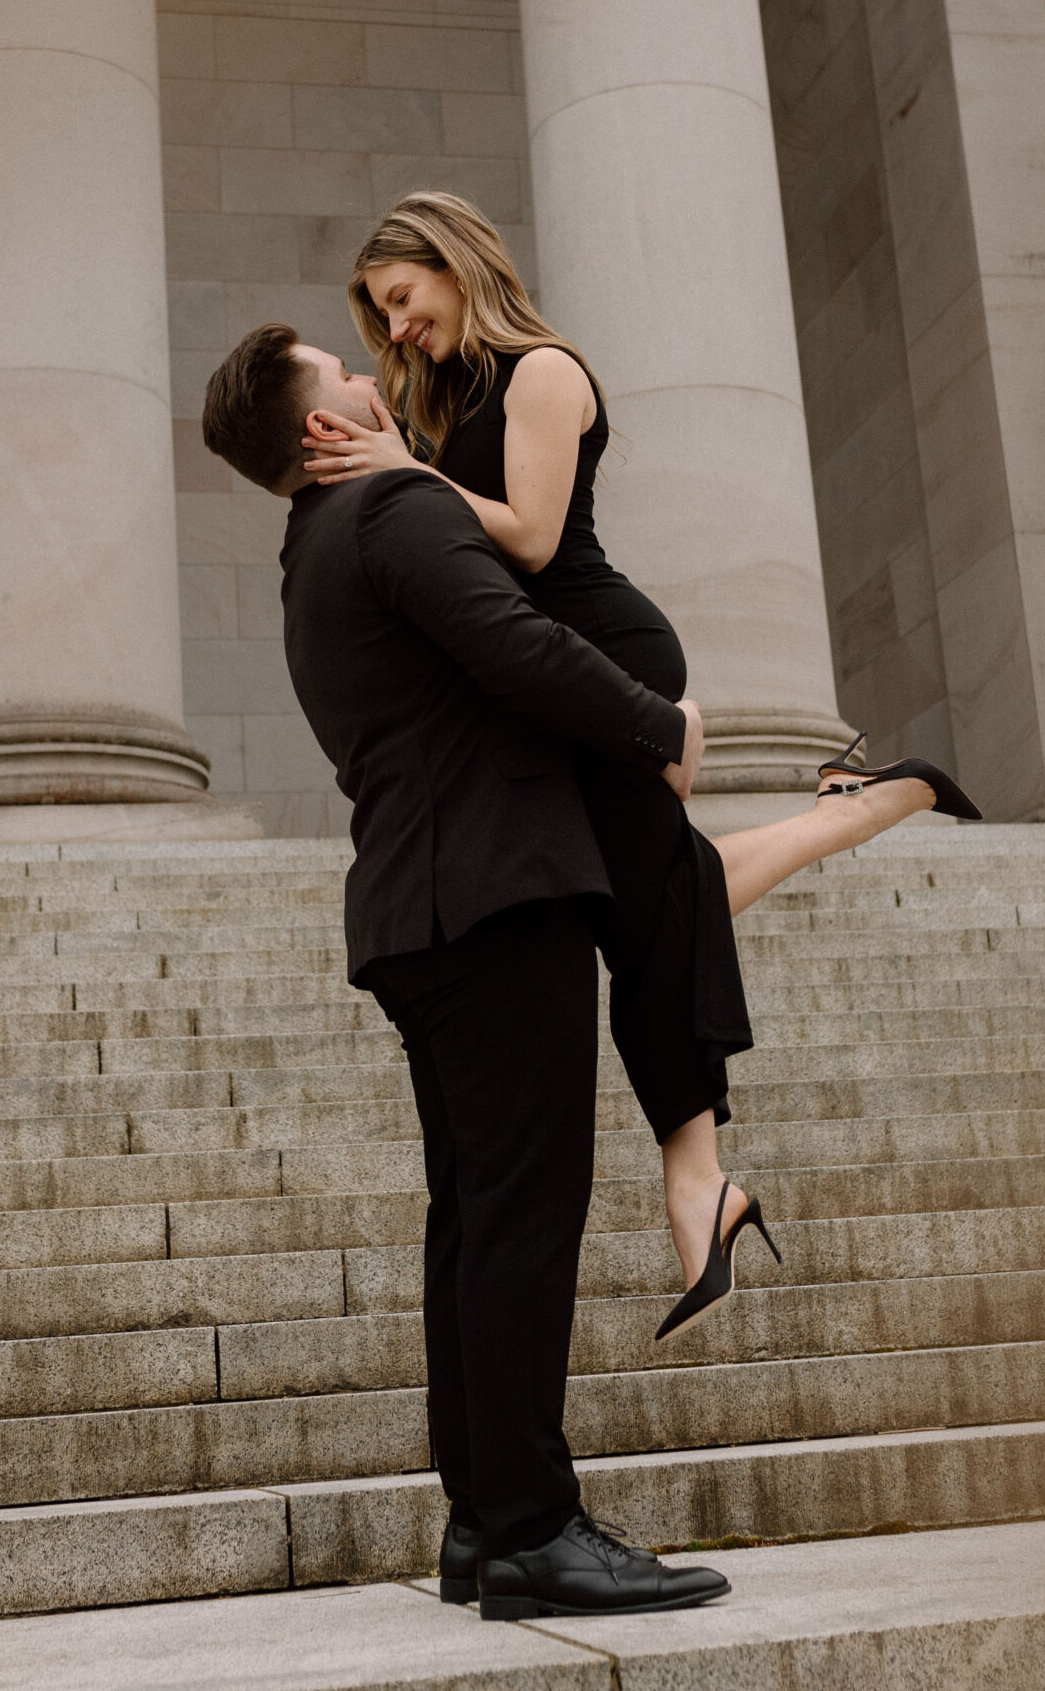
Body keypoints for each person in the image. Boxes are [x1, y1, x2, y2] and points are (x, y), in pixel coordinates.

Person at [301, 193, 981, 1334]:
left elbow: (525, 535)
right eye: (377, 317)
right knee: (651, 895)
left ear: (455, 266)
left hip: (605, 655)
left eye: (403, 300)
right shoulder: (442, 400)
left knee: (651, 903)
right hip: (551, 680)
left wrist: (398, 470)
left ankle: (701, 1182)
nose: (397, 329)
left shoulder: (545, 372)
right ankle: (847, 819)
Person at [200, 330, 732, 1619]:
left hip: (422, 907)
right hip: (494, 897)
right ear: (320, 428)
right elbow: (511, 641)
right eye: (344, 374)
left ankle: (481, 1521)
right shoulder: (388, 507)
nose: (372, 384)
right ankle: (536, 1527)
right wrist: (659, 727)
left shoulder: (309, 551)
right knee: (521, 1210)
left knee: (476, 1212)